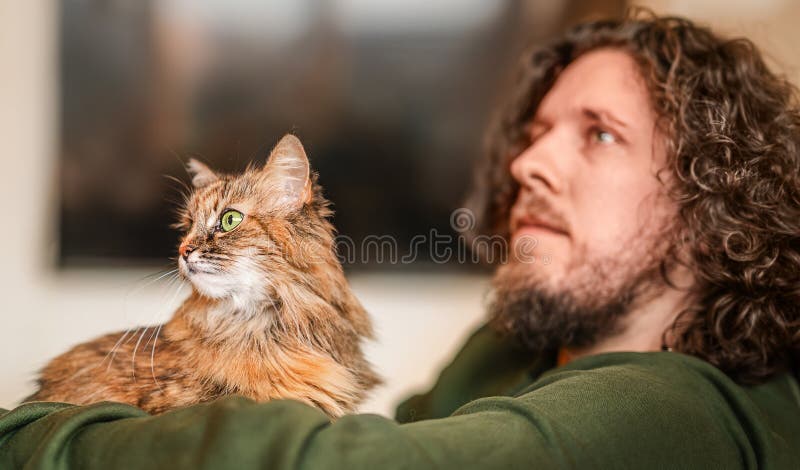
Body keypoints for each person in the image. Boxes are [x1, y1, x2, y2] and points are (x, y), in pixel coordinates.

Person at [2, 10, 799, 469]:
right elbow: (391, 431)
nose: (525, 163)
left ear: (712, 204)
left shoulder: (680, 412)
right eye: (533, 133)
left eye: (598, 134)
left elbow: (339, 462)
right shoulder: (507, 348)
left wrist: (35, 437)